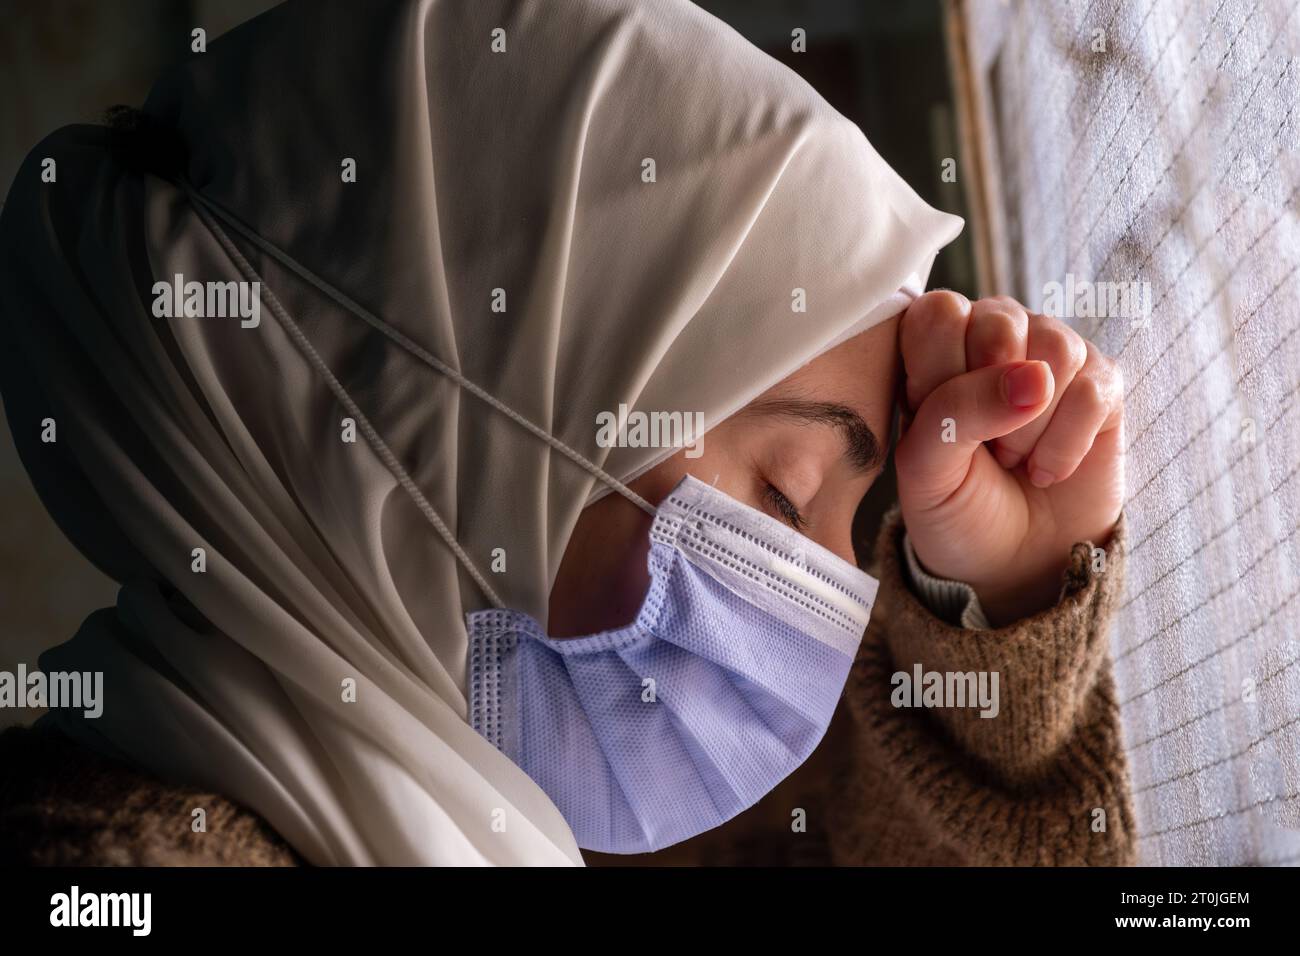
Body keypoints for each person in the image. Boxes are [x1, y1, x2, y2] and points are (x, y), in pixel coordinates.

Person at [0, 0, 1133, 865]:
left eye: (838, 512)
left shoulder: (441, 792)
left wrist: (1001, 607)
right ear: (434, 418)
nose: (840, 581)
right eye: (788, 491)